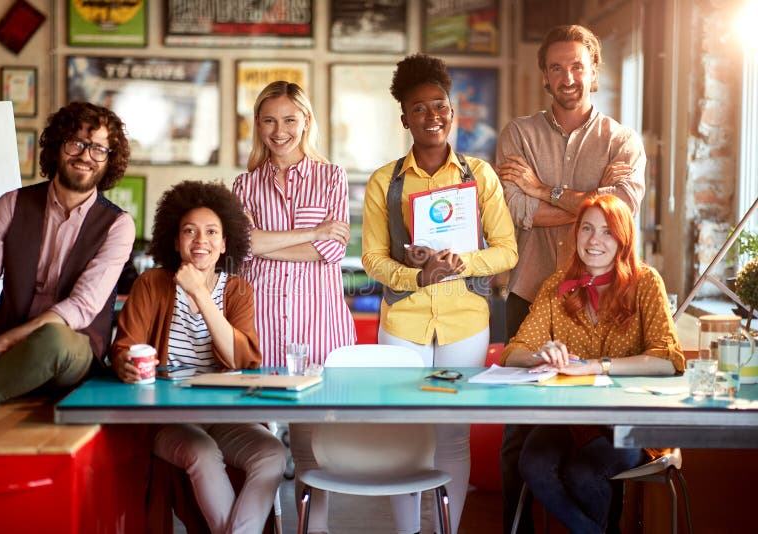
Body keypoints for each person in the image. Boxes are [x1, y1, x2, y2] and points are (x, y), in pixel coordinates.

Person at [496, 24, 647, 532]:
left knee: (608, 422)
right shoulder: (518, 134)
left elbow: (619, 208)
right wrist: (585, 203)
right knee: (519, 428)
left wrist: (544, 189)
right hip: (529, 291)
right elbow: (515, 210)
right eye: (557, 67)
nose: (568, 76)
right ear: (544, 74)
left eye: (577, 65)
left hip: (607, 296)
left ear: (595, 71)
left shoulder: (622, 140)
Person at [362, 53, 518, 534]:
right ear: (404, 117)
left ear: (452, 112)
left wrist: (461, 262)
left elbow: (507, 250)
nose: (433, 116)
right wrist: (415, 274)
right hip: (404, 321)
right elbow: (373, 259)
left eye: (440, 106)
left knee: (452, 433)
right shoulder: (385, 181)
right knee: (404, 434)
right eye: (419, 108)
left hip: (464, 322)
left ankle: (447, 529)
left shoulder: (479, 176)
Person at [501, 194, 684, 533]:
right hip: (568, 420)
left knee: (584, 472)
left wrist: (597, 366)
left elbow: (667, 359)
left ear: (623, 239)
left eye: (607, 231)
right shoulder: (557, 286)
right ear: (576, 235)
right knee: (532, 464)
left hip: (628, 421)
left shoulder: (646, 283)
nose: (594, 240)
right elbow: (513, 352)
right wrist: (543, 355)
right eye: (587, 229)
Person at [111, 180, 286, 534]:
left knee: (273, 455)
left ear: (224, 243)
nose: (200, 240)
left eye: (211, 232)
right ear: (175, 241)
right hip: (168, 418)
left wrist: (200, 294)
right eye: (189, 231)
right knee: (202, 452)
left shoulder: (236, 290)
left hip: (223, 414)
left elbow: (242, 359)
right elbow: (125, 347)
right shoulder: (151, 283)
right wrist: (126, 364)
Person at [233, 81, 356, 533]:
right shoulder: (243, 184)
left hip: (316, 327)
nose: (279, 130)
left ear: (306, 122)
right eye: (269, 120)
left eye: (289, 119)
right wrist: (310, 233)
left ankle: (313, 529)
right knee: (259, 444)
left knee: (310, 445)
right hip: (259, 325)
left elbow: (330, 253)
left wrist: (266, 243)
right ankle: (266, 526)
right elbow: (244, 246)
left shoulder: (332, 177)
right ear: (258, 126)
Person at [0, 102, 135, 415]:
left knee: (53, 338)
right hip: (10, 353)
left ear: (109, 161)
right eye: (76, 143)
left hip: (71, 354)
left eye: (98, 149)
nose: (85, 156)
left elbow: (81, 308)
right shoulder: (11, 205)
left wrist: (0, 344)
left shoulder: (118, 225)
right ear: (57, 146)